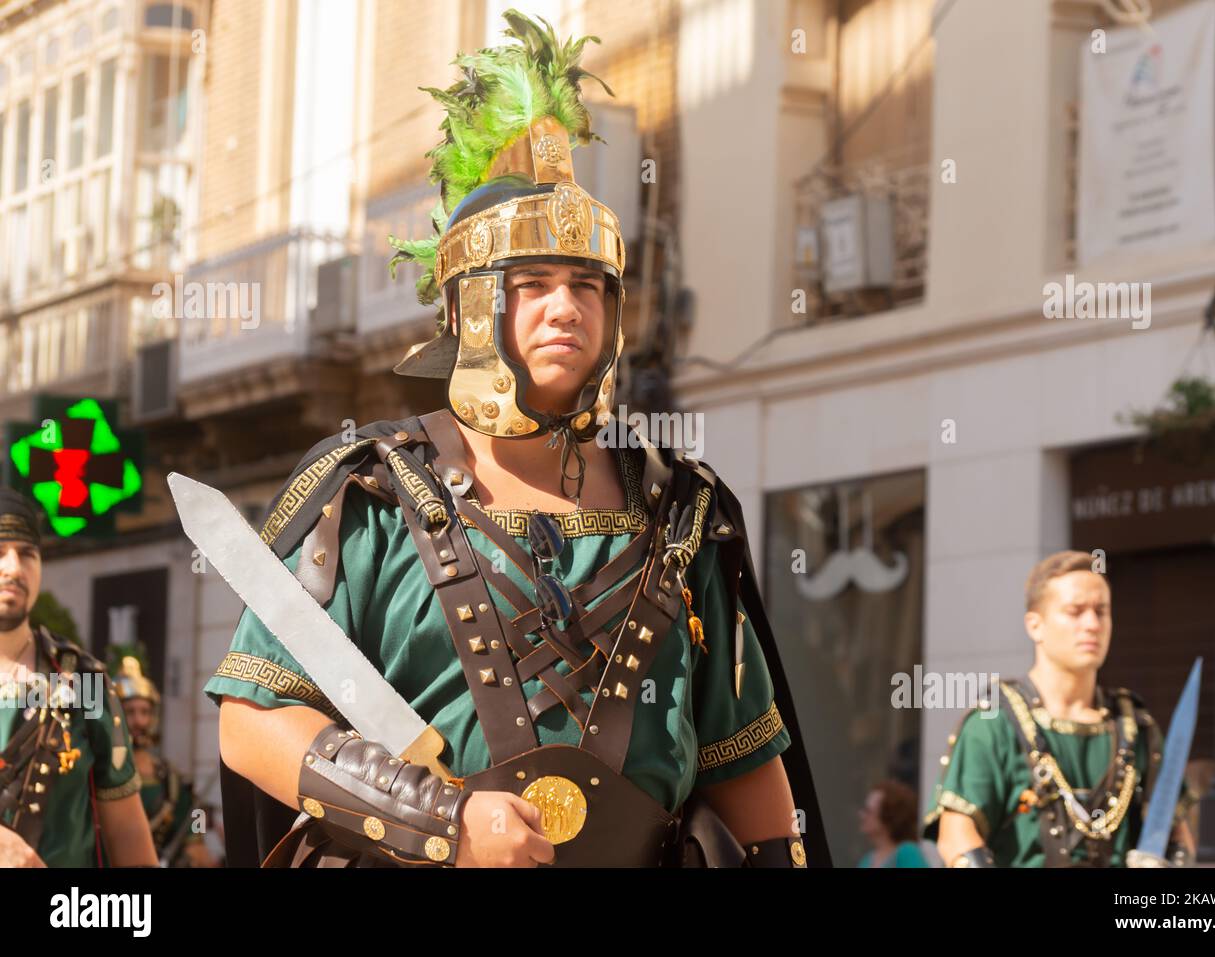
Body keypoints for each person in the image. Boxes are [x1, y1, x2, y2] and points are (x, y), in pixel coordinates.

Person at [203, 9, 827, 869]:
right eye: (530, 283)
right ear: (463, 308)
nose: (565, 307)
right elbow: (256, 719)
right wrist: (445, 821)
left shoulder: (677, 511)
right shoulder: (369, 494)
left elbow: (744, 767)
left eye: (586, 284)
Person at [923, 550, 1197, 867]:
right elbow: (957, 838)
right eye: (1075, 611)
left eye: (1101, 611)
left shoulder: (1135, 725)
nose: (1092, 624)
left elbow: (1178, 839)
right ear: (1035, 625)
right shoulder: (994, 722)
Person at [0, 487, 156, 867]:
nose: (14, 568)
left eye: (28, 554)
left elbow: (128, 837)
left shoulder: (82, 681)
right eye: (0, 551)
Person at [112, 653, 219, 867]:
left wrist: (197, 844)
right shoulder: (96, 770)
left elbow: (195, 829)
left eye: (145, 712)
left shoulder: (171, 780)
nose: (139, 721)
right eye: (130, 712)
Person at [857, 780, 928, 867]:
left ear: (888, 817)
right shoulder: (866, 861)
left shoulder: (907, 854)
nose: (862, 815)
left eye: (868, 811)